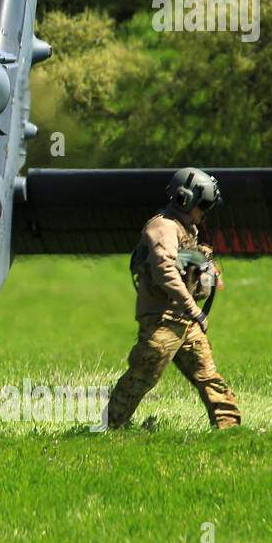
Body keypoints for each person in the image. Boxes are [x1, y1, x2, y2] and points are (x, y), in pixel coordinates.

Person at [104, 167, 241, 430]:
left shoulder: (185, 229)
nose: (205, 212)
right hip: (163, 321)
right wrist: (194, 310)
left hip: (184, 321)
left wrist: (205, 270)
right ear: (185, 200)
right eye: (203, 205)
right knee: (141, 378)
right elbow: (164, 270)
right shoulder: (163, 227)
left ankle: (229, 429)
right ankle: (108, 428)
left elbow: (187, 263)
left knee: (208, 377)